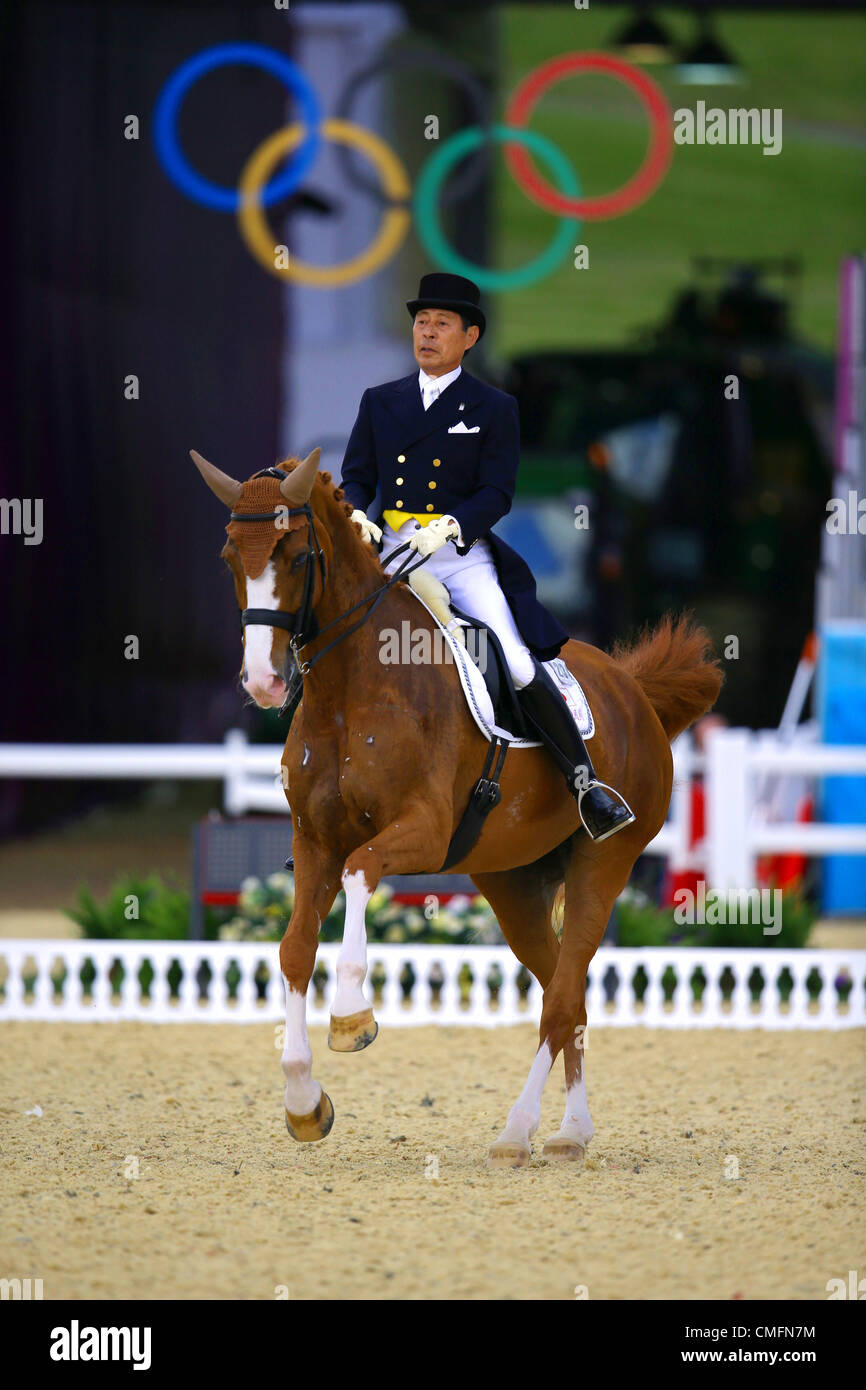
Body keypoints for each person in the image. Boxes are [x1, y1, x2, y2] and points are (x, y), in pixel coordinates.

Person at [339, 272, 634, 842]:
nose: (427, 334)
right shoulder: (380, 401)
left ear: (469, 336)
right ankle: (318, 797)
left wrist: (450, 526)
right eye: (421, 323)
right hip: (395, 554)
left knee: (519, 661)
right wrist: (356, 513)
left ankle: (585, 786)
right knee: (333, 641)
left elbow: (497, 493)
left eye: (441, 325)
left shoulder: (493, 407)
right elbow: (357, 476)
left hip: (458, 557)